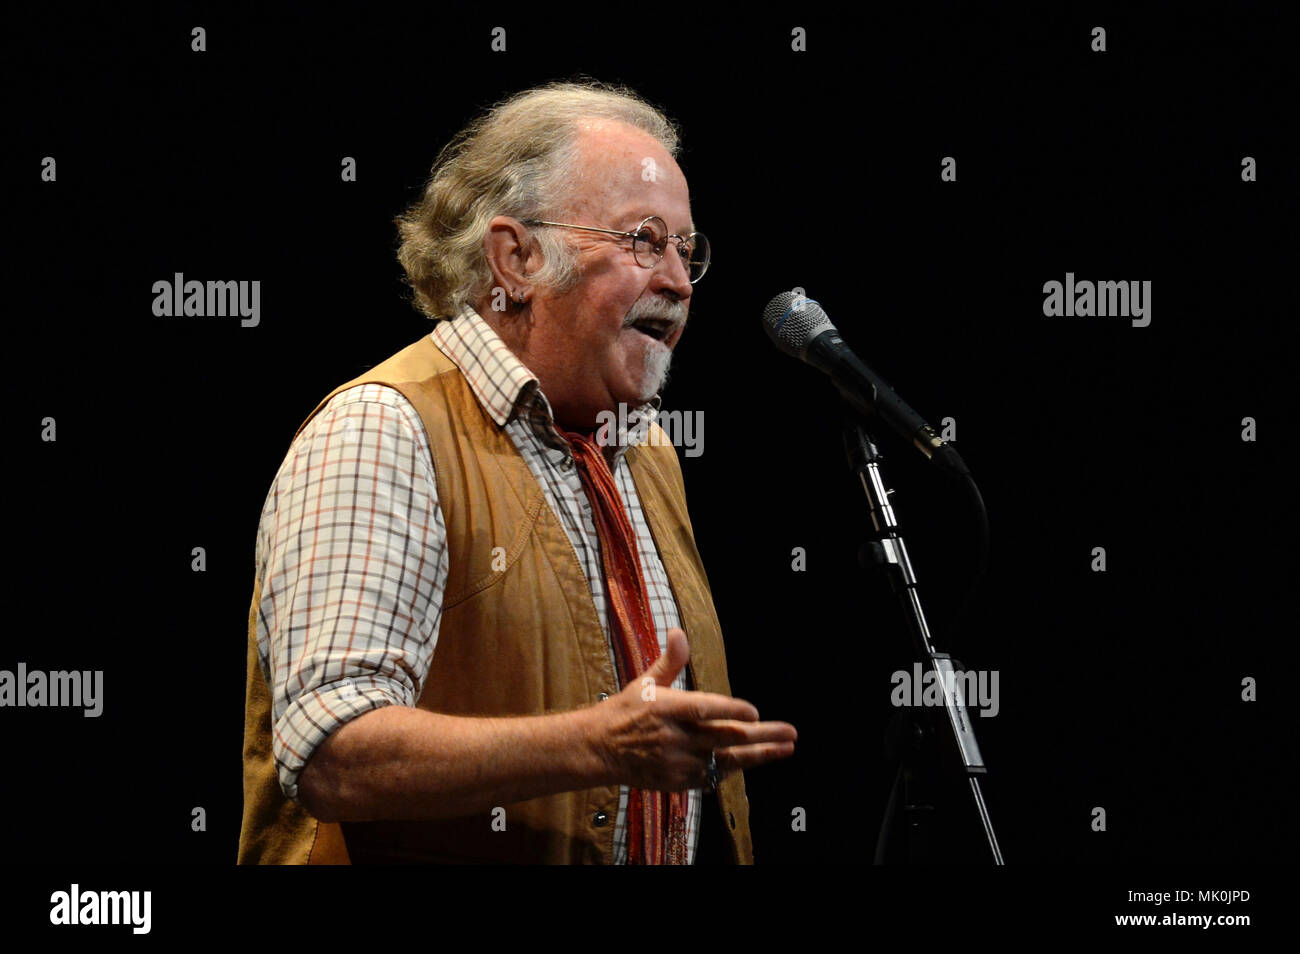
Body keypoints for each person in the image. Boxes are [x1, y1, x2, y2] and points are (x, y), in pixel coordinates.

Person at [237, 80, 797, 865]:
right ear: (517, 258)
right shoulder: (385, 429)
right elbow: (330, 750)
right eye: (643, 239)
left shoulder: (647, 452)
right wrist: (593, 745)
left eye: (685, 248)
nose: (676, 280)